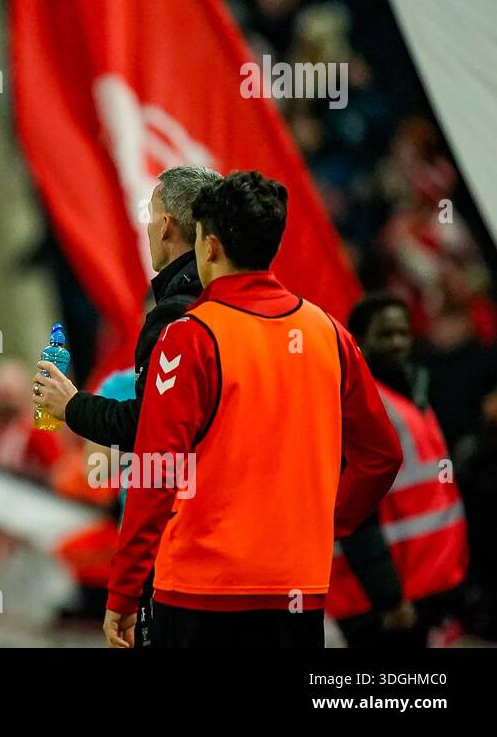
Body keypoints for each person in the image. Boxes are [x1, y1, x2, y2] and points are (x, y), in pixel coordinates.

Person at [56, 170, 401, 648]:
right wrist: (328, 524)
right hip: (296, 589)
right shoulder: (328, 333)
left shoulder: (190, 336)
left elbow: (156, 471)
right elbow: (382, 456)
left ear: (210, 246)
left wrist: (123, 591)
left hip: (200, 592)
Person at [32, 164, 219, 645]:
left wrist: (70, 407)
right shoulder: (291, 333)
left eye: (150, 213)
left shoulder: (177, 326)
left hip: (177, 561)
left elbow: (144, 454)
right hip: (269, 569)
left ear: (169, 226)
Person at [327, 293, 468, 647]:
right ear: (359, 340)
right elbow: (355, 513)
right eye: (385, 334)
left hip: (425, 586)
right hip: (379, 602)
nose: (398, 343)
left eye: (403, 333)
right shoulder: (355, 404)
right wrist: (387, 597)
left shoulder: (412, 389)